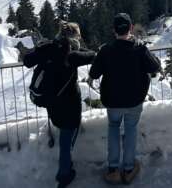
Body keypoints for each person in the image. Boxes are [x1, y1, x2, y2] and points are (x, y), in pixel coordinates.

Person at [88, 12, 162, 185]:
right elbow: (155, 67)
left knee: (113, 128)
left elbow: (94, 73)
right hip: (134, 100)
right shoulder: (139, 48)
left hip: (112, 101)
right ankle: (128, 169)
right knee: (130, 130)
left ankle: (113, 169)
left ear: (114, 30)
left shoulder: (106, 50)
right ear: (130, 28)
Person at [22, 21, 95, 187]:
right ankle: (64, 174)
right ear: (74, 37)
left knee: (64, 132)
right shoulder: (72, 55)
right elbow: (92, 55)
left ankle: (66, 166)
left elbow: (27, 60)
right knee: (67, 137)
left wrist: (44, 48)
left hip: (52, 104)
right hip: (70, 104)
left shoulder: (49, 48)